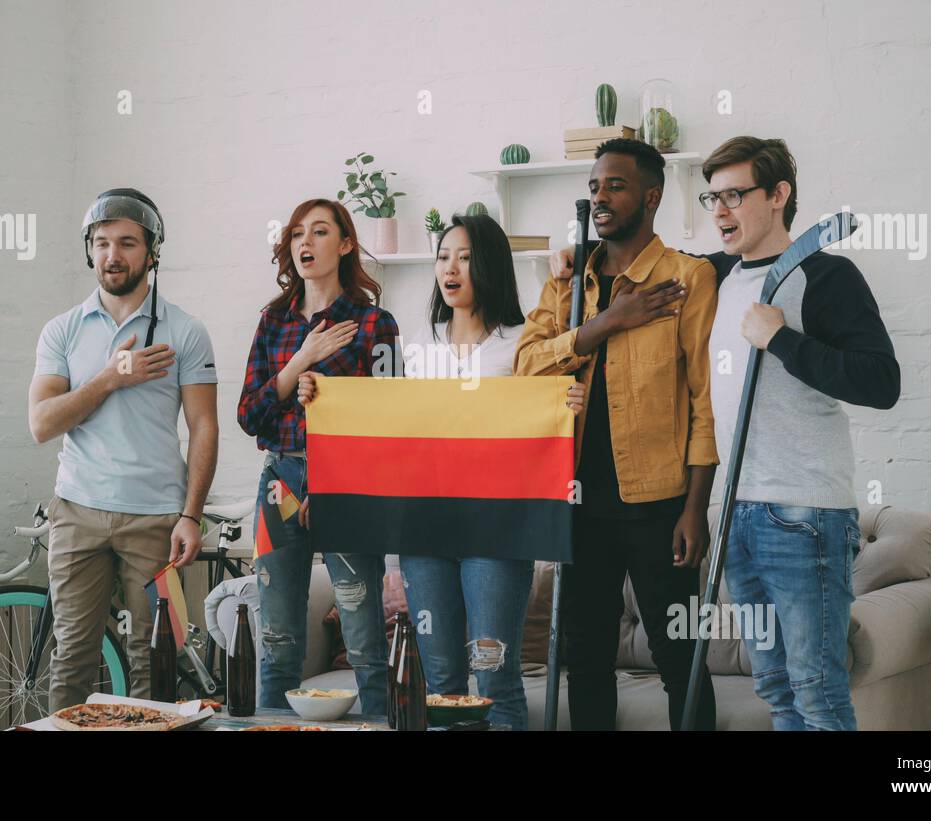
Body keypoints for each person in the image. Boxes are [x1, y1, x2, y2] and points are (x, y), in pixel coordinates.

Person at [549, 137, 901, 730]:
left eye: (736, 195)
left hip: (806, 513)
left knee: (816, 691)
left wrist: (783, 339)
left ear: (779, 196)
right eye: (714, 197)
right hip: (735, 512)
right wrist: (573, 258)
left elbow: (881, 382)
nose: (721, 211)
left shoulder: (828, 275)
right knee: (775, 688)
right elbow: (639, 259)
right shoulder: (714, 275)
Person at [300, 214, 586, 730]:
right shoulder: (414, 345)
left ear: (491, 266)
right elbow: (386, 426)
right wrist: (320, 397)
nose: (450, 269)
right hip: (424, 532)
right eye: (443, 256)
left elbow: (546, 417)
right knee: (438, 678)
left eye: (466, 257)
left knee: (495, 678)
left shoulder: (521, 344)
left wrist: (566, 401)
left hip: (498, 533)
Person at [515, 138, 719, 731]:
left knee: (680, 653)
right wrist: (605, 323)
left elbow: (706, 400)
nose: (601, 198)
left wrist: (695, 508)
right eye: (595, 187)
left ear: (652, 196)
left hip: (658, 503)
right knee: (585, 656)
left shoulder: (687, 279)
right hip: (577, 502)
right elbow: (527, 365)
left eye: (617, 186)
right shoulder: (569, 282)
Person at [30, 188, 219, 711]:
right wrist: (109, 379)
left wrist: (191, 515)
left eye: (128, 243)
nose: (113, 255)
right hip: (78, 511)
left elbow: (204, 427)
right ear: (89, 250)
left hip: (156, 516)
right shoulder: (62, 330)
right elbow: (42, 423)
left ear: (153, 252)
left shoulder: (186, 331)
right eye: (102, 242)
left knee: (154, 656)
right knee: (72, 655)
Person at [237, 198, 399, 716]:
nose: (304, 242)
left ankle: (377, 725)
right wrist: (301, 361)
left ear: (346, 244)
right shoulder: (273, 321)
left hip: (346, 485)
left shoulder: (376, 323)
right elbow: (249, 415)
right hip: (279, 481)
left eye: (320, 231)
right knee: (279, 637)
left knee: (364, 638)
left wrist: (333, 476)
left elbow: (391, 420)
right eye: (297, 234)